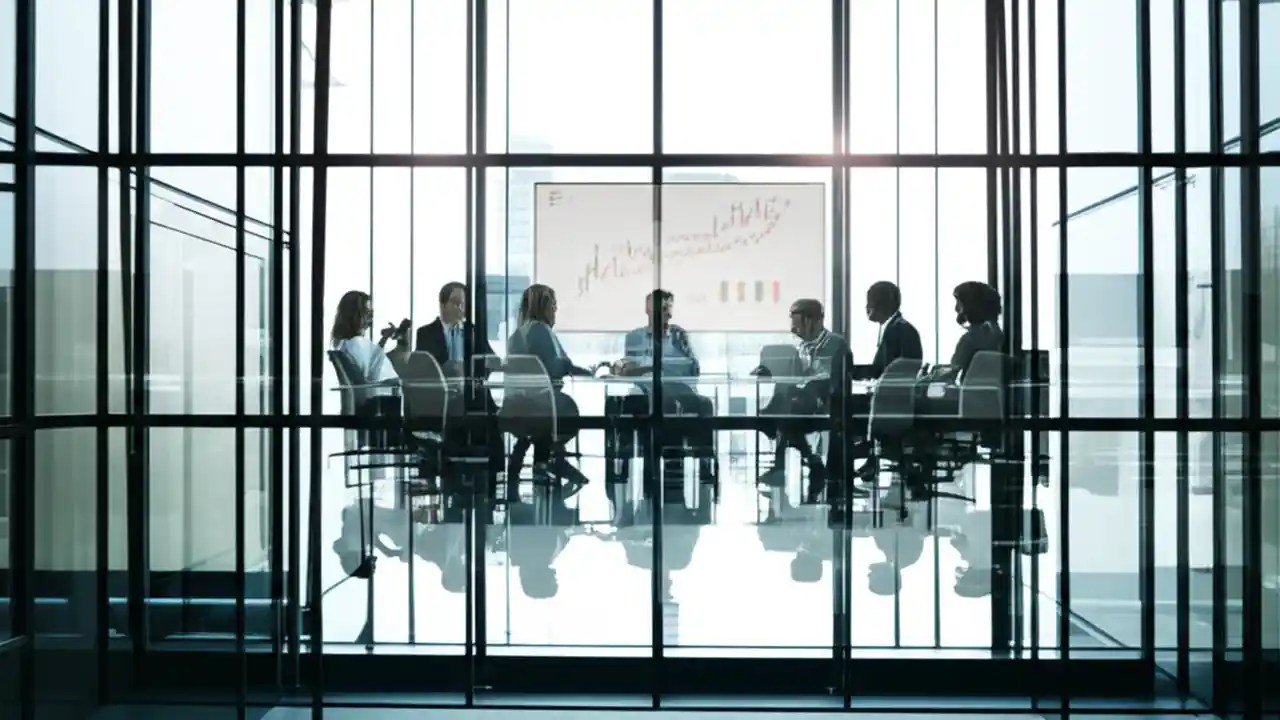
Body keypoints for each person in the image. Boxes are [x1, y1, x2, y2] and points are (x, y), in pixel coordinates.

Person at [753, 299, 855, 504]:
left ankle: (786, 465)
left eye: (797, 324)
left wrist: (802, 387)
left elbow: (830, 381)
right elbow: (799, 377)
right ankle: (809, 460)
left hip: (827, 403)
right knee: (786, 409)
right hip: (801, 402)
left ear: (811, 321)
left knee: (784, 410)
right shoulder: (803, 346)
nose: (793, 330)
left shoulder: (835, 345)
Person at [613, 289, 715, 489]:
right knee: (633, 406)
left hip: (679, 391)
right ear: (647, 309)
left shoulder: (679, 335)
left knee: (705, 405)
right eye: (659, 308)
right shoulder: (634, 337)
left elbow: (692, 368)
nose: (665, 314)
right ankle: (628, 465)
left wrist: (652, 365)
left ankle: (704, 462)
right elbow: (629, 369)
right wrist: (658, 366)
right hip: (646, 392)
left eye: (668, 309)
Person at [503, 284, 592, 494]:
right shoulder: (540, 331)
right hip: (543, 405)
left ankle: (550, 459)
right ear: (544, 306)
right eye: (554, 304)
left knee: (540, 423)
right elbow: (555, 366)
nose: (556, 310)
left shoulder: (516, 335)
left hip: (516, 405)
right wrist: (582, 371)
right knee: (563, 409)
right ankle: (553, 459)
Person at [329, 289, 407, 417]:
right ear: (356, 315)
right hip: (385, 403)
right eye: (368, 313)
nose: (371, 318)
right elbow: (370, 378)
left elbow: (372, 363)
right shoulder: (356, 343)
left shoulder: (347, 343)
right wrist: (394, 382)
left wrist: (384, 339)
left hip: (384, 399)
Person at [865, 281, 923, 377]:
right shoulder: (899, 327)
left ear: (883, 304)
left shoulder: (896, 331)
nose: (867, 307)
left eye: (870, 301)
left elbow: (885, 371)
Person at [950, 281, 1004, 377]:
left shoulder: (970, 340)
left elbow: (954, 372)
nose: (956, 308)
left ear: (969, 305)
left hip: (969, 391)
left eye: (959, 303)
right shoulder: (1000, 337)